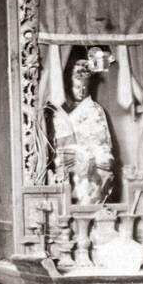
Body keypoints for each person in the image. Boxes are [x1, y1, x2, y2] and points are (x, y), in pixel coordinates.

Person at [50, 58, 115, 205]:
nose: (82, 91)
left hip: (92, 169)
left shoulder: (95, 110)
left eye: (85, 87)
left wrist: (89, 159)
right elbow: (59, 145)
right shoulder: (58, 111)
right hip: (66, 167)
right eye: (77, 86)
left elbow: (103, 146)